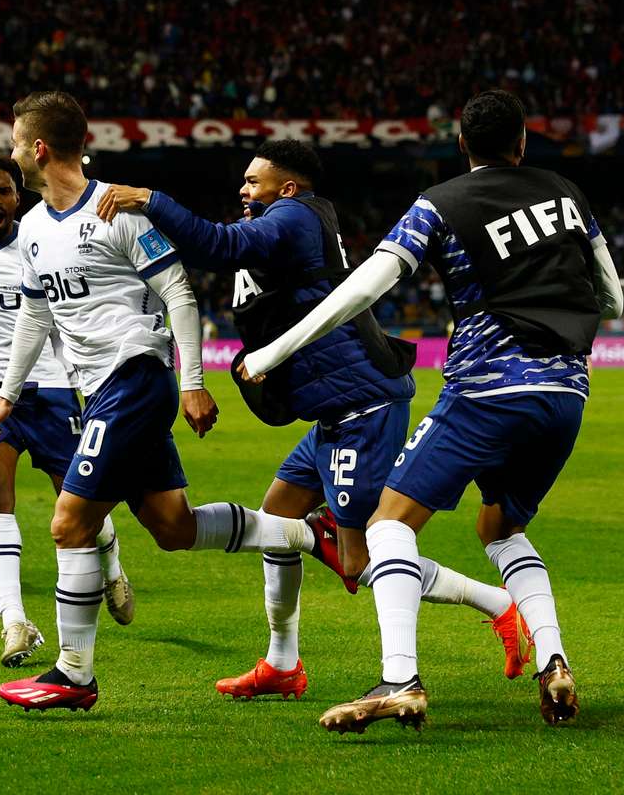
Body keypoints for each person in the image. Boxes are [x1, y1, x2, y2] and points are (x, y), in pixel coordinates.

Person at [240, 90, 624, 731]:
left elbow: (368, 282)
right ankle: (554, 663)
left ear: (463, 146)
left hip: (484, 388)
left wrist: (275, 348)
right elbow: (609, 296)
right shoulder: (565, 192)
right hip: (566, 394)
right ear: (522, 142)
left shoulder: (441, 203)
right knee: (499, 529)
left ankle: (400, 681)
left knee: (389, 523)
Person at [97, 140, 530, 702]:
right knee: (277, 516)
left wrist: (151, 199)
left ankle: (501, 606)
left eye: (254, 182)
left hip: (363, 409)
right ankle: (282, 663)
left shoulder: (296, 218)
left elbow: (218, 245)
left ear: (289, 187)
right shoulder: (286, 220)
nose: (243, 190)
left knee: (358, 561)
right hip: (333, 412)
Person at [0, 91, 326, 713]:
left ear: (37, 149)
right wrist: (7, 396)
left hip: (135, 376)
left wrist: (192, 381)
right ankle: (307, 534)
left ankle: (73, 675)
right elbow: (35, 315)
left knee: (69, 524)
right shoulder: (31, 229)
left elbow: (179, 295)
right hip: (100, 389)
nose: (8, 154)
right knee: (174, 528)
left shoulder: (118, 211)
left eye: (12, 142)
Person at [0, 152, 134, 669]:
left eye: (5, 192)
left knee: (78, 504)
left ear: (19, 196)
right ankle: (14, 621)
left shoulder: (44, 242)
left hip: (52, 389)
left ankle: (111, 562)